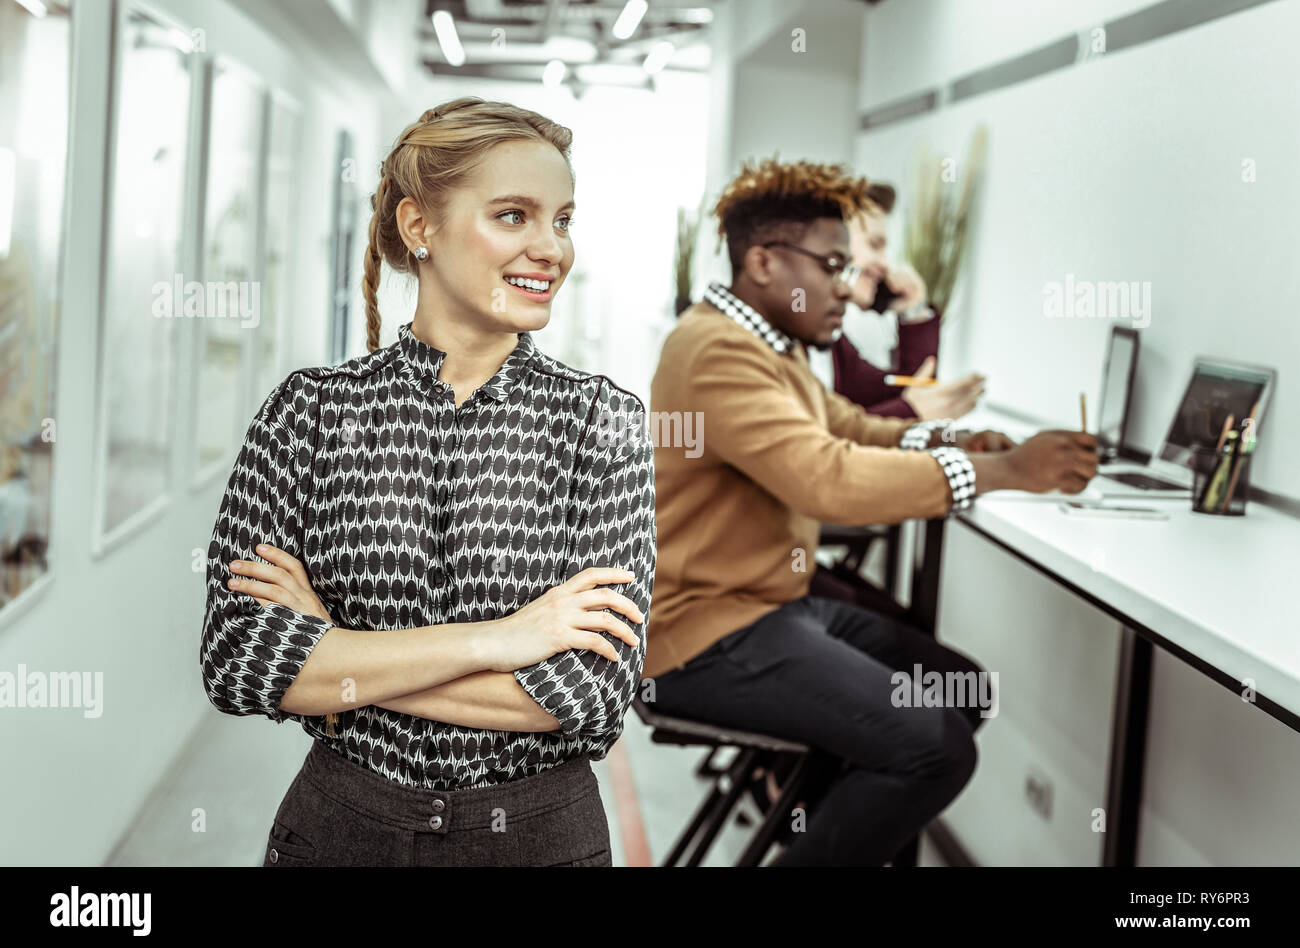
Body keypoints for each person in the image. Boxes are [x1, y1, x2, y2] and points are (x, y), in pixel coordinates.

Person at [199, 97, 656, 867]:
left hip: (540, 839)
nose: (552, 248)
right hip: (340, 833)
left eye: (564, 220)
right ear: (421, 229)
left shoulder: (602, 421)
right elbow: (237, 658)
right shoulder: (308, 412)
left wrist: (337, 659)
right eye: (514, 215)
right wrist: (503, 640)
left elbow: (590, 695)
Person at [646, 155, 1097, 865]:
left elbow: (850, 427)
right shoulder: (716, 351)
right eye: (831, 265)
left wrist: (952, 437)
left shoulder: (774, 346)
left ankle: (810, 832)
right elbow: (827, 478)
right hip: (705, 635)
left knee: (963, 690)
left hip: (768, 605)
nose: (848, 288)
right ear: (763, 262)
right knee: (935, 750)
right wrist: (1002, 470)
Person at [806, 181, 986, 422]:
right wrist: (911, 412)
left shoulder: (833, 342)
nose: (885, 264)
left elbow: (905, 390)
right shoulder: (787, 338)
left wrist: (914, 308)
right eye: (874, 244)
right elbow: (818, 442)